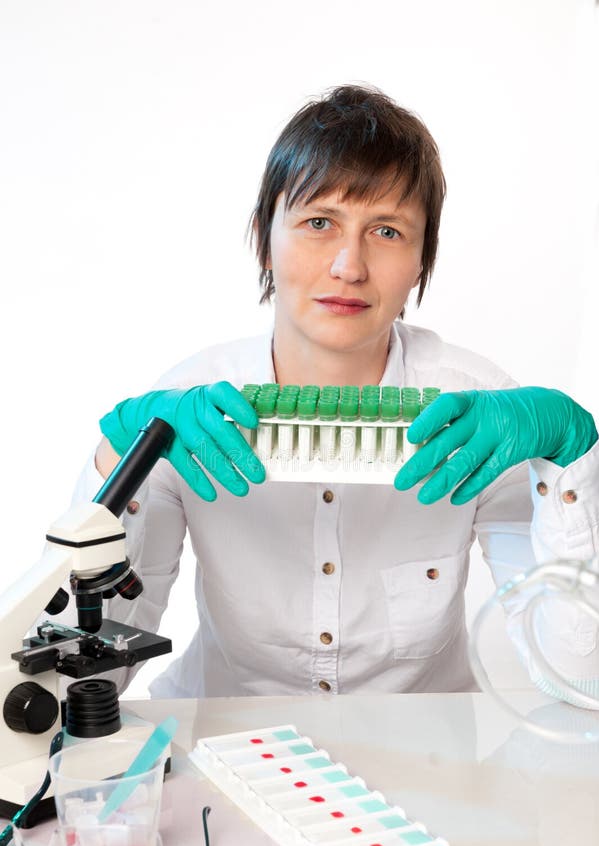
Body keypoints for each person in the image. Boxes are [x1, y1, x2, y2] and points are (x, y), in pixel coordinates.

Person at [72, 84, 599, 699]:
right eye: (319, 222)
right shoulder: (190, 410)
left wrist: (569, 459)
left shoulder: (477, 411)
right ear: (265, 239)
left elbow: (577, 677)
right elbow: (89, 678)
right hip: (221, 746)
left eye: (387, 231)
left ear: (423, 261)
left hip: (423, 758)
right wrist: (116, 467)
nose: (350, 265)